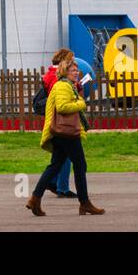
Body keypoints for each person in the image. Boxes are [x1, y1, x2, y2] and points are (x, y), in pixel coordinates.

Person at [26, 57, 105, 217]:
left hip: (61, 132)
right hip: (67, 132)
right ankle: (85, 203)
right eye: (73, 70)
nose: (77, 72)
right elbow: (62, 107)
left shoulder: (67, 85)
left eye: (77, 70)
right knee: (80, 166)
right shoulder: (63, 86)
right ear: (64, 72)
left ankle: (35, 199)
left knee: (55, 165)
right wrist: (80, 103)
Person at [40, 48, 92, 199]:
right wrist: (80, 101)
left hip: (60, 121)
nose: (75, 68)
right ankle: (61, 187)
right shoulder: (58, 79)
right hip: (64, 123)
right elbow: (62, 102)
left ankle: (45, 189)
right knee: (73, 161)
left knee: (59, 159)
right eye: (72, 61)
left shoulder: (52, 75)